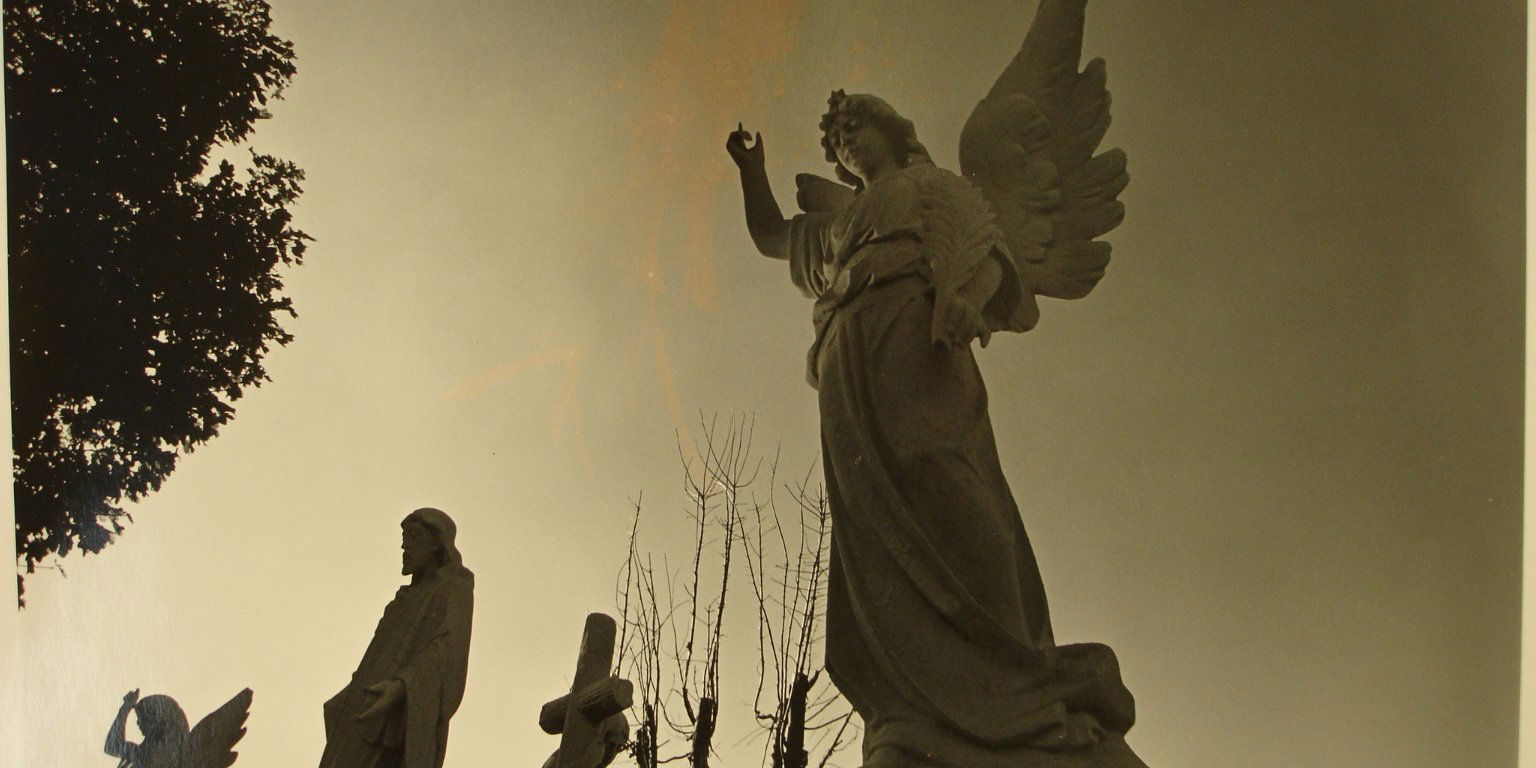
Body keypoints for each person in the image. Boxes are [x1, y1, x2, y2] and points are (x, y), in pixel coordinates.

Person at [726, 91, 1141, 768]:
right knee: (871, 520)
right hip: (845, 355)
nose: (847, 147)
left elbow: (988, 247)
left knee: (945, 474)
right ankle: (919, 700)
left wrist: (967, 299)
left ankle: (1016, 673)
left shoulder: (927, 185)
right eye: (836, 143)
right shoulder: (844, 219)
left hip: (913, 328)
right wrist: (752, 171)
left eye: (856, 130)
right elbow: (774, 236)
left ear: (890, 129)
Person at [319, 508, 474, 768]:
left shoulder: (454, 586)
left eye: (413, 536)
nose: (405, 545)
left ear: (438, 543)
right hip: (362, 704)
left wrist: (402, 685)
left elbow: (448, 650)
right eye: (404, 537)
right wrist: (350, 695)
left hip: (394, 713)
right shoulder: (400, 602)